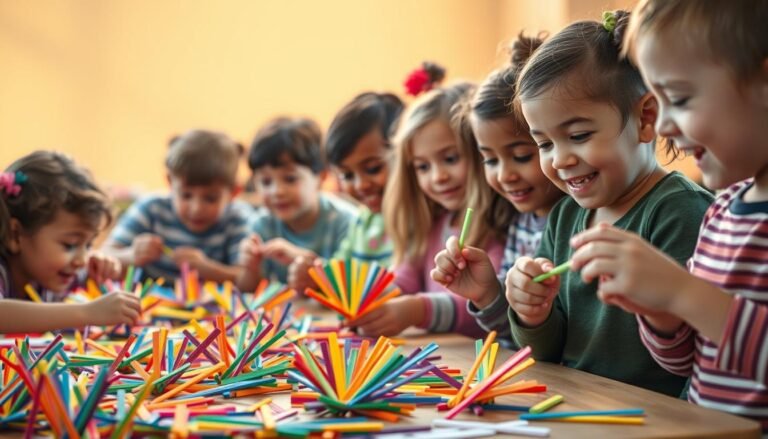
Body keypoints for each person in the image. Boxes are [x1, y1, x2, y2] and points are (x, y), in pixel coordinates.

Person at [569, 0, 768, 429]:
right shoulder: (722, 213)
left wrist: (683, 294)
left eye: (677, 98)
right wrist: (661, 314)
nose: (661, 127)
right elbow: (686, 364)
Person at [506, 11, 713, 396]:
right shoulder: (566, 215)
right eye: (544, 144)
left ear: (646, 118)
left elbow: (700, 356)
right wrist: (533, 313)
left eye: (579, 135)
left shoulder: (680, 212)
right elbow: (547, 351)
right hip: (576, 406)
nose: (560, 159)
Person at [0, 151, 139, 333]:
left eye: (88, 245)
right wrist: (86, 313)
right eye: (70, 245)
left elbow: (98, 278)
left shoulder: (51, 273)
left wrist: (101, 271)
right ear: (15, 234)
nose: (81, 259)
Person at [104, 129, 252, 282]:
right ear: (170, 182)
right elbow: (104, 255)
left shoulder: (237, 219)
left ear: (234, 192)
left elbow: (247, 279)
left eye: (210, 198)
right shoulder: (151, 209)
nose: (196, 208)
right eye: (186, 195)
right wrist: (131, 255)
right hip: (148, 303)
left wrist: (206, 268)